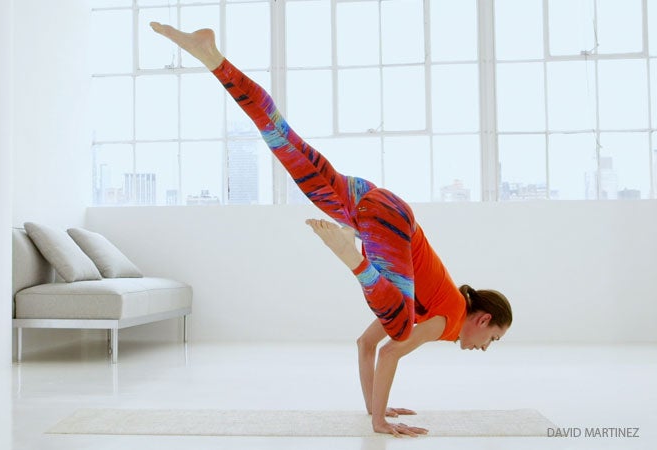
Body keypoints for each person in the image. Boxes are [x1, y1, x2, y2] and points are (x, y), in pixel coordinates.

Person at [150, 23, 513, 438]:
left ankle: (213, 58)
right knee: (400, 327)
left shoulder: (433, 303)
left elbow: (366, 347)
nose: (485, 348)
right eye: (493, 338)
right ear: (482, 320)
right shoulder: (447, 321)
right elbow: (393, 351)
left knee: (283, 140)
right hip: (387, 221)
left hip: (368, 205)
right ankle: (351, 256)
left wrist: (373, 407)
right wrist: (380, 423)